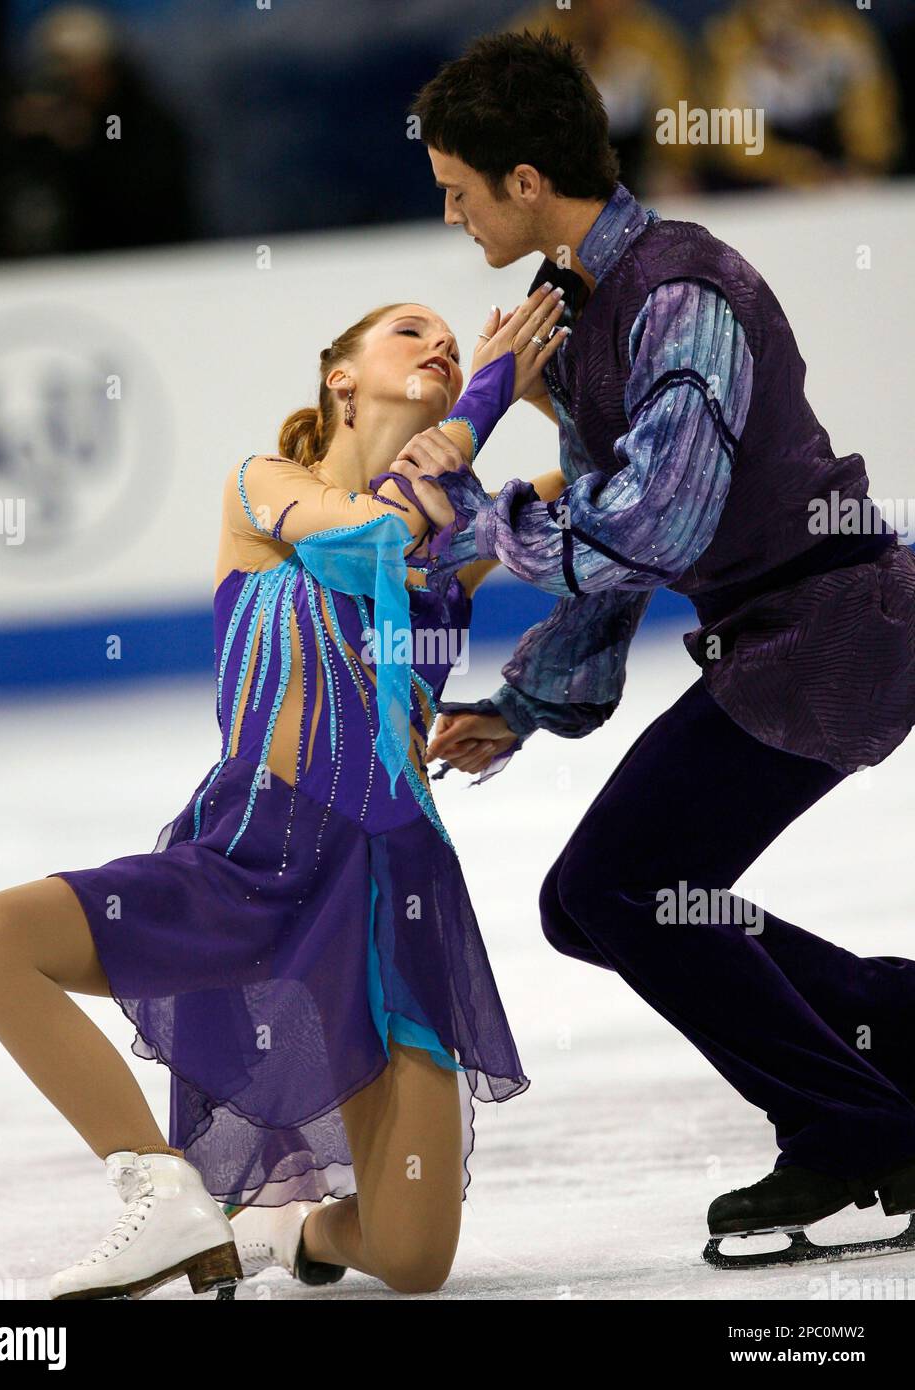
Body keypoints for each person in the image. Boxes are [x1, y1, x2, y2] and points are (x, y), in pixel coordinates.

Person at [390, 27, 915, 1267]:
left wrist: (476, 517)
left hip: (833, 625)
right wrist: (524, 704)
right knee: (602, 898)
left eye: (461, 192)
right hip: (786, 631)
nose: (454, 217)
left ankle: (855, 1135)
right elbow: (612, 534)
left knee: (614, 887)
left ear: (528, 182)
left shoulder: (679, 289)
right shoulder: (577, 307)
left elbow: (651, 521)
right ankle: (891, 1026)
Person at [0, 295, 568, 1299]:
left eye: (456, 345)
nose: (446, 345)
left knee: (412, 1259)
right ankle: (165, 1194)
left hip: (389, 888)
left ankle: (287, 1229)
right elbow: (365, 535)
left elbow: (627, 485)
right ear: (341, 379)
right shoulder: (264, 486)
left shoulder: (463, 529)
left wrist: (555, 386)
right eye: (411, 333)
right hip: (251, 849)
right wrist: (488, 389)